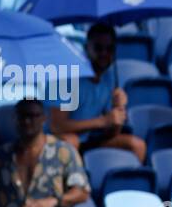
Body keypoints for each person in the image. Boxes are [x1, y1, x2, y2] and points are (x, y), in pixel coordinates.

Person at [50, 22, 146, 162]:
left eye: (109, 49)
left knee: (137, 145)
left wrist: (117, 111)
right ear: (86, 48)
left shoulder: (110, 76)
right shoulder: (66, 75)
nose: (104, 54)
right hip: (60, 140)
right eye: (98, 48)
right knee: (72, 141)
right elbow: (57, 126)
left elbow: (110, 133)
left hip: (92, 139)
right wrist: (102, 121)